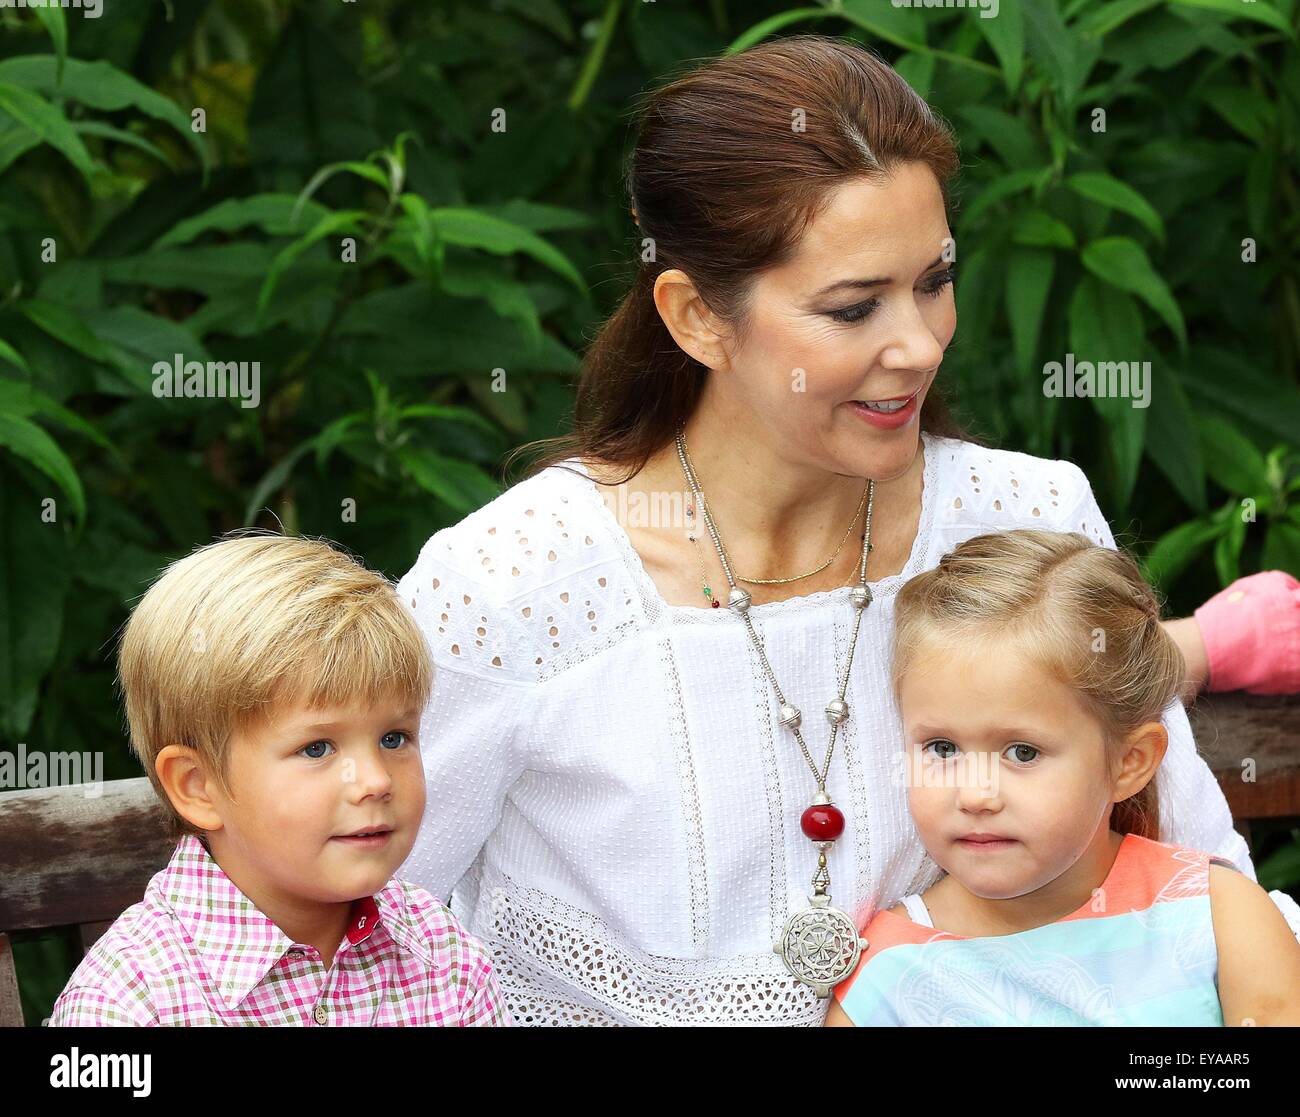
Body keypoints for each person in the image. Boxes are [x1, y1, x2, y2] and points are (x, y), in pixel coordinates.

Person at [395, 35, 1300, 1026]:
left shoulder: (1027, 520)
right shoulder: (514, 585)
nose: (916, 343)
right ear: (696, 316)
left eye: (933, 280)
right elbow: (345, 930)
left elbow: (1194, 881)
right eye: (853, 305)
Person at [824, 529, 1300, 1026]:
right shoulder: (887, 979)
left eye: (1022, 752)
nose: (975, 794)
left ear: (1129, 762)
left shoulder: (1215, 915)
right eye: (942, 748)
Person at [48, 534, 510, 1027]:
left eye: (395, 738)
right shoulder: (129, 1004)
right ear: (197, 785)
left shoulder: (442, 957)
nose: (374, 781)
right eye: (317, 748)